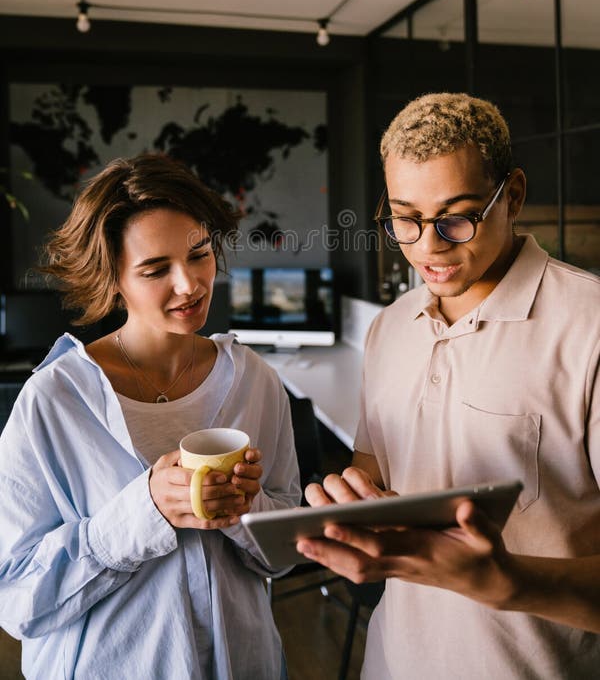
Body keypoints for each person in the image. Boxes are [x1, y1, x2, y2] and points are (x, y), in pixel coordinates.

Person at [297, 92, 600, 679]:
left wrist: (509, 583)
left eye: (456, 216)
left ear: (512, 196)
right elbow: (376, 472)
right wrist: (351, 510)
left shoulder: (590, 328)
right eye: (404, 218)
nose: (428, 245)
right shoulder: (391, 328)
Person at [0, 152, 301, 680]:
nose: (189, 285)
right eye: (155, 269)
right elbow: (17, 600)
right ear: (112, 277)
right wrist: (144, 512)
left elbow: (283, 556)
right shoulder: (53, 401)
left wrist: (244, 505)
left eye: (200, 254)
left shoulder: (255, 379)